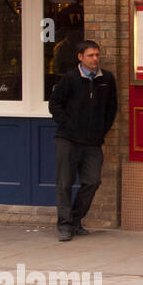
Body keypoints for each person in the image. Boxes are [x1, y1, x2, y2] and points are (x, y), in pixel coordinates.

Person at [48, 39, 117, 241]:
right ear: (80, 57)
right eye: (91, 55)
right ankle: (65, 226)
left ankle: (75, 220)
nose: (95, 59)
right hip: (67, 140)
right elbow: (55, 104)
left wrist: (101, 130)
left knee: (92, 181)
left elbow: (111, 108)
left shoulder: (107, 79)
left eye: (97, 55)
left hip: (93, 142)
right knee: (65, 183)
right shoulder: (69, 78)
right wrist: (68, 125)